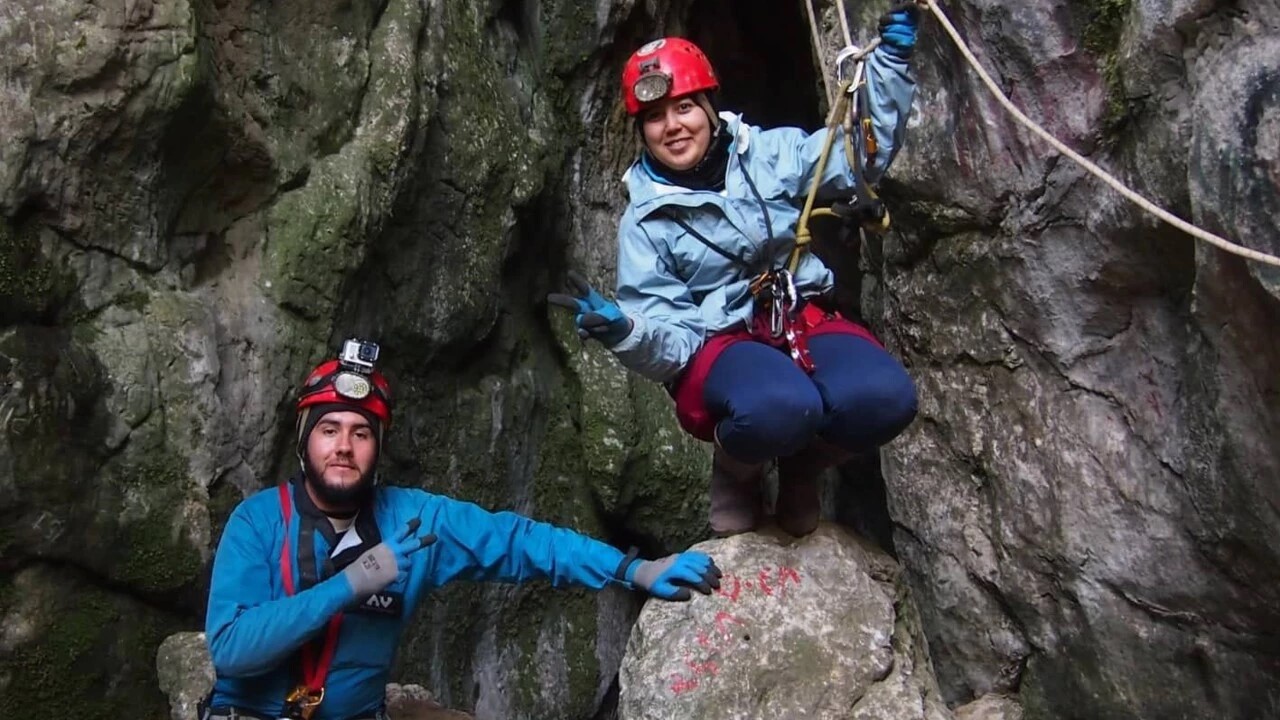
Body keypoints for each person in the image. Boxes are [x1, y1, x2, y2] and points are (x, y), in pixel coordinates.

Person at [550, 6, 922, 538]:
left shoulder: (765, 154)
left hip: (798, 315)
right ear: (642, 129)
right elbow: (672, 336)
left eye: (685, 107)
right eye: (655, 117)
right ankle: (738, 470)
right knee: (779, 407)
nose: (673, 127)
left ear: (709, 105)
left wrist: (889, 67)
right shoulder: (646, 220)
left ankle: (802, 469)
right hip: (718, 342)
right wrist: (627, 333)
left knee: (886, 398)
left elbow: (856, 160)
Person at [203, 339, 722, 720]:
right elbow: (232, 650)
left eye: (361, 433)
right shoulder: (259, 521)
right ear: (305, 442)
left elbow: (521, 542)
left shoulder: (412, 521)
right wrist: (355, 580)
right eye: (329, 430)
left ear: (378, 448)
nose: (344, 446)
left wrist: (634, 568)